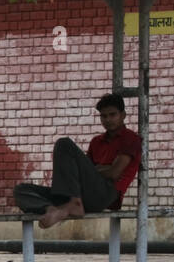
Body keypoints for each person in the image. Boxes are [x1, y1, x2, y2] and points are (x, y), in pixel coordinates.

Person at [13, 94, 142, 229]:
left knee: (64, 144)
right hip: (81, 194)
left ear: (123, 115)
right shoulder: (96, 141)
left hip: (105, 195)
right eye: (103, 116)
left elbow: (114, 173)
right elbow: (85, 173)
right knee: (21, 190)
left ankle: (74, 203)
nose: (108, 120)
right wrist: (101, 168)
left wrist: (95, 169)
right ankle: (52, 210)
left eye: (112, 115)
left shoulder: (131, 139)